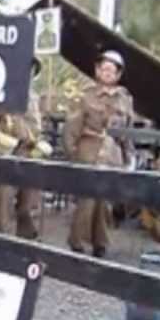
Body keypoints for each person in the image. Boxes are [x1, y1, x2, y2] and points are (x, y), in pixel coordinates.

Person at [63, 49, 134, 258]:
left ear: (118, 75)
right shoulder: (85, 96)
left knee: (104, 200)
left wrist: (129, 156)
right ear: (97, 70)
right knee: (87, 199)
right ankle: (77, 240)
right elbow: (71, 128)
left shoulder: (125, 99)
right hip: (88, 150)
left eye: (112, 71)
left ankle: (100, 242)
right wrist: (72, 154)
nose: (107, 74)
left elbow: (128, 132)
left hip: (111, 154)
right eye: (104, 69)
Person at [0, 62, 50, 240]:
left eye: (31, 70)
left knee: (29, 204)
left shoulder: (34, 98)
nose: (27, 74)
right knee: (0, 204)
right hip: (5, 156)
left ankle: (26, 245)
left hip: (29, 155)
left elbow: (37, 127)